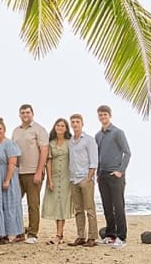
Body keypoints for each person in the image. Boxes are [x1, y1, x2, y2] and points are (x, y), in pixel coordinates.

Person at [11, 104, 48, 244]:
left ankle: (33, 234)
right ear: (19, 115)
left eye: (27, 112)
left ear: (32, 113)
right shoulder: (16, 131)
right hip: (17, 173)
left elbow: (44, 151)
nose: (25, 115)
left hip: (33, 172)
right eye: (22, 113)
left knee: (33, 204)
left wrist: (39, 171)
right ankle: (19, 233)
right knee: (14, 203)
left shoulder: (39, 130)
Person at [96, 105, 131, 248]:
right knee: (107, 206)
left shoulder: (117, 133)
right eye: (100, 115)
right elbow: (98, 156)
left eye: (105, 114)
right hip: (102, 175)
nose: (103, 117)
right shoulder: (98, 135)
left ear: (110, 115)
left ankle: (121, 237)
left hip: (115, 175)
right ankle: (110, 235)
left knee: (118, 206)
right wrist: (98, 173)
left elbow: (127, 153)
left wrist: (120, 171)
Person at [67, 113, 99, 247]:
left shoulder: (88, 140)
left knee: (90, 209)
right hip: (73, 179)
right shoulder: (70, 142)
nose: (75, 124)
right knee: (78, 210)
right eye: (73, 122)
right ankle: (81, 236)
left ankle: (92, 237)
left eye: (77, 122)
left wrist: (89, 177)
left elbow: (94, 160)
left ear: (82, 123)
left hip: (85, 179)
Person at [41, 118, 73, 245]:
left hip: (66, 177)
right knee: (55, 205)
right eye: (58, 125)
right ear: (55, 127)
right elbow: (48, 161)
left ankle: (59, 235)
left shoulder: (70, 143)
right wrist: (49, 179)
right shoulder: (51, 143)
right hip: (54, 176)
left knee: (62, 205)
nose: (60, 127)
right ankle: (59, 234)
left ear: (66, 128)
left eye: (62, 125)